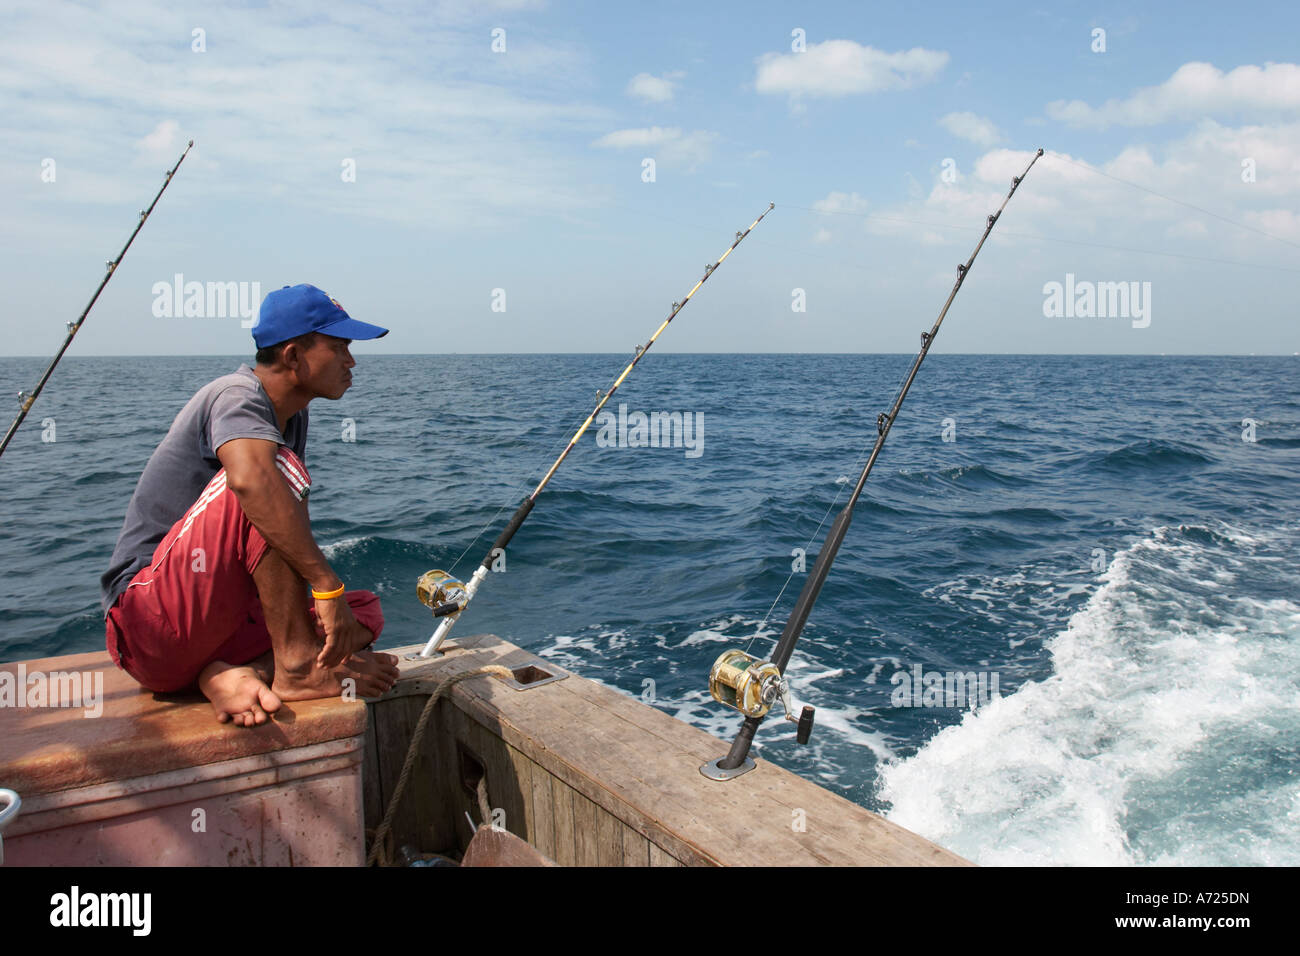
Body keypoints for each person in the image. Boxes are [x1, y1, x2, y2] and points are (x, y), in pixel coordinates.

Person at [100, 284, 400, 726]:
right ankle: (296, 668)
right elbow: (252, 485)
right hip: (148, 623)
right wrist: (325, 585)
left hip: (207, 634)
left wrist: (333, 605)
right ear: (294, 356)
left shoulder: (291, 415)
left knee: (361, 618)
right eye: (339, 348)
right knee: (268, 478)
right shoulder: (236, 396)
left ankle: (228, 674)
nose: (351, 361)